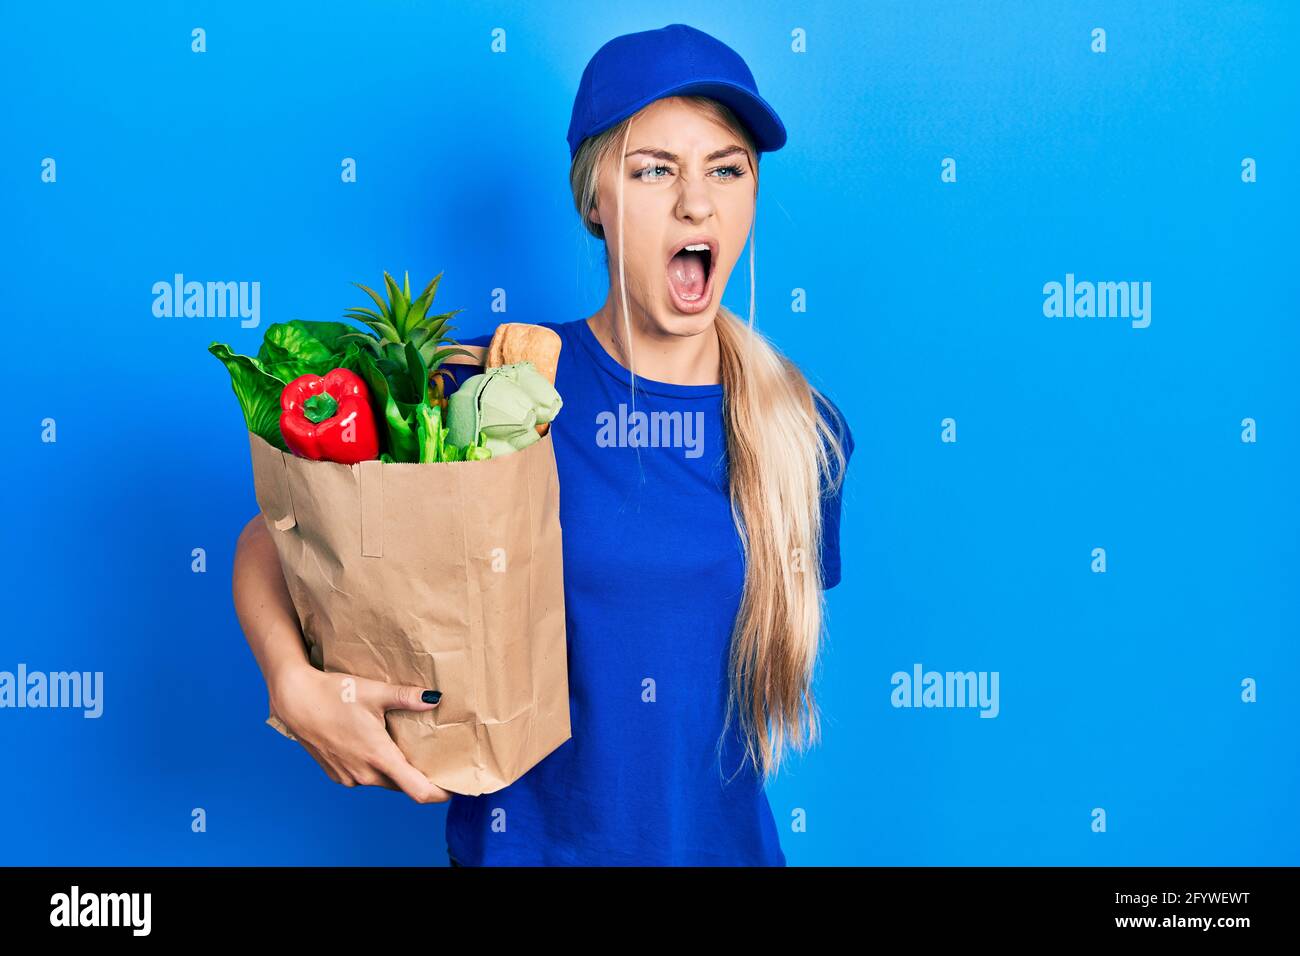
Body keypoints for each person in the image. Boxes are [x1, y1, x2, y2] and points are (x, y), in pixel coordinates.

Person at [232, 23, 852, 867]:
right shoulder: (494, 398)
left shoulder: (800, 431)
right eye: (653, 169)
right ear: (594, 199)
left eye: (726, 168)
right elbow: (276, 536)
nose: (695, 203)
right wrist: (295, 685)